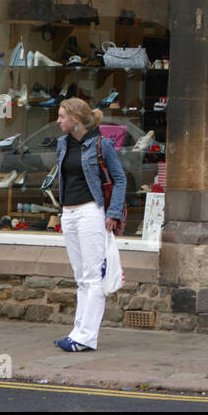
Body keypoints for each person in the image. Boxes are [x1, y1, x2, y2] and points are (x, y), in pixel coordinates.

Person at [53, 98, 127, 352]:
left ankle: (86, 337)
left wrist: (113, 212)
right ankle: (77, 331)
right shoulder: (62, 144)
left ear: (75, 119)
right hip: (69, 214)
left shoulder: (101, 144)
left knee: (93, 276)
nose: (58, 120)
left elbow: (120, 179)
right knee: (80, 277)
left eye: (62, 116)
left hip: (90, 213)